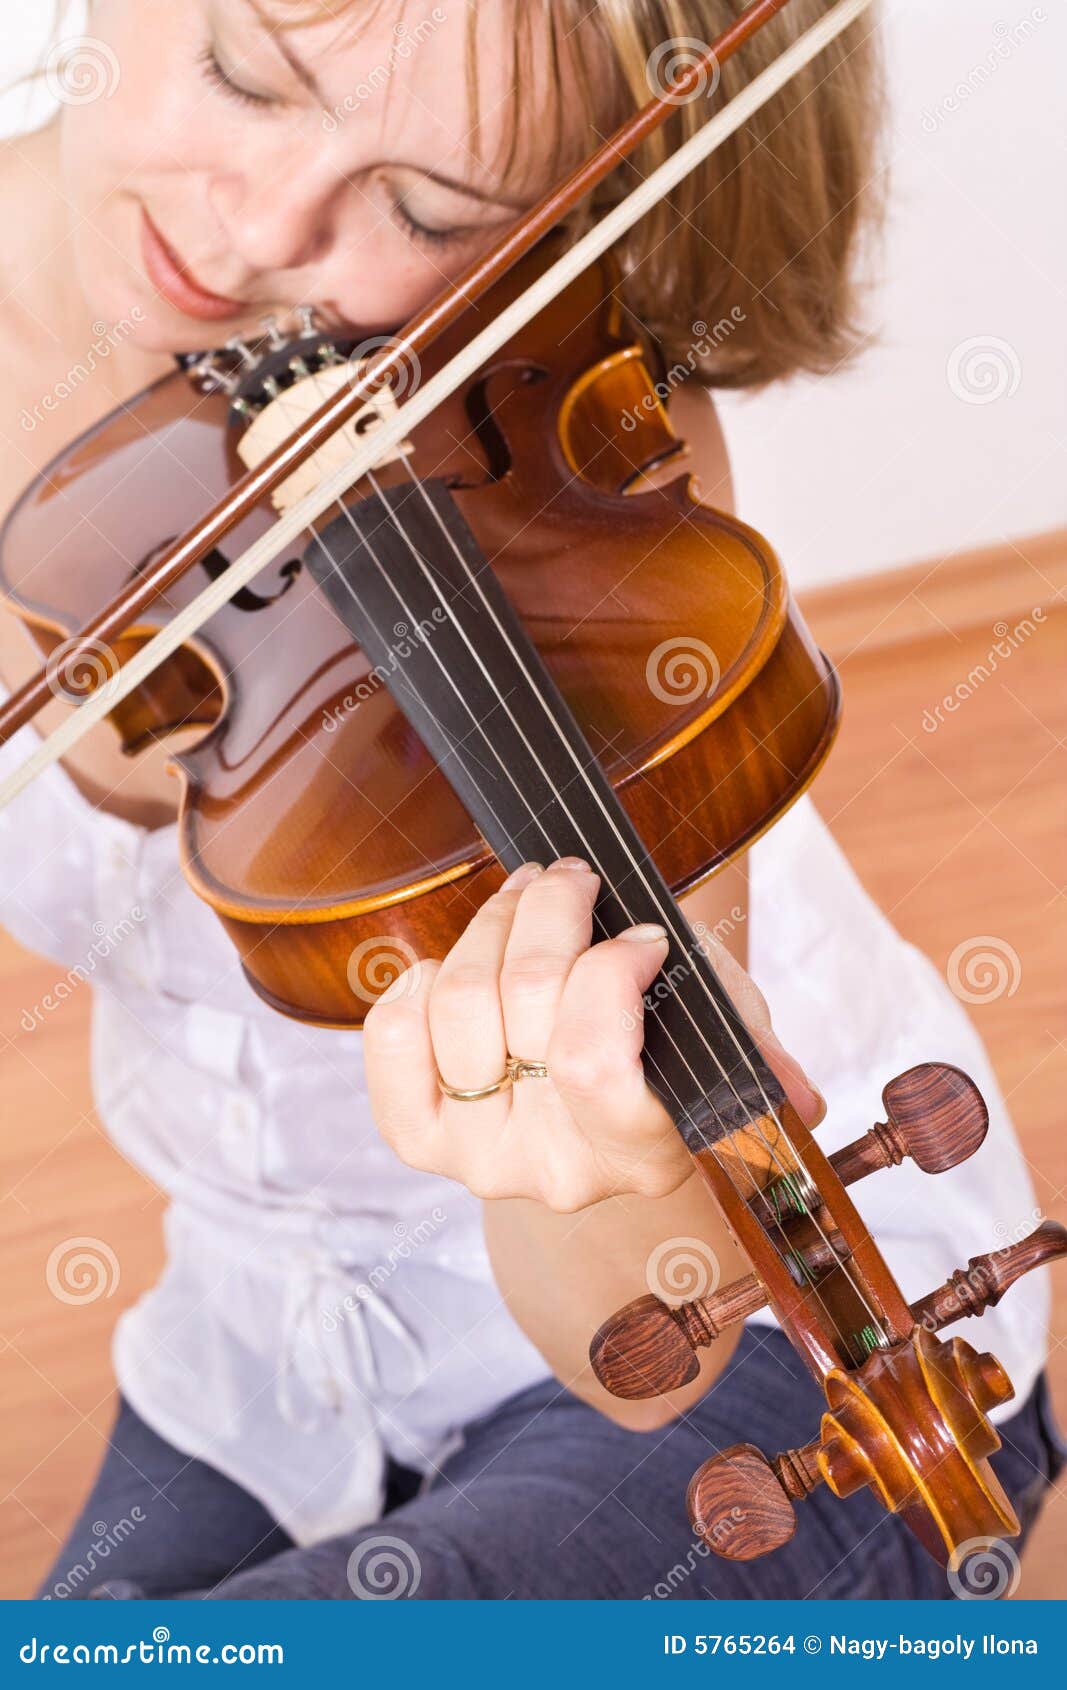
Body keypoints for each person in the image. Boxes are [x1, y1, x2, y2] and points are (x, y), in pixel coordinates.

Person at [0, 1, 1060, 1601]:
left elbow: (641, 1338)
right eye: (239, 71)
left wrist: (578, 1151)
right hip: (263, 1357)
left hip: (736, 1321)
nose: (264, 227)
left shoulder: (569, 454)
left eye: (426, 207)